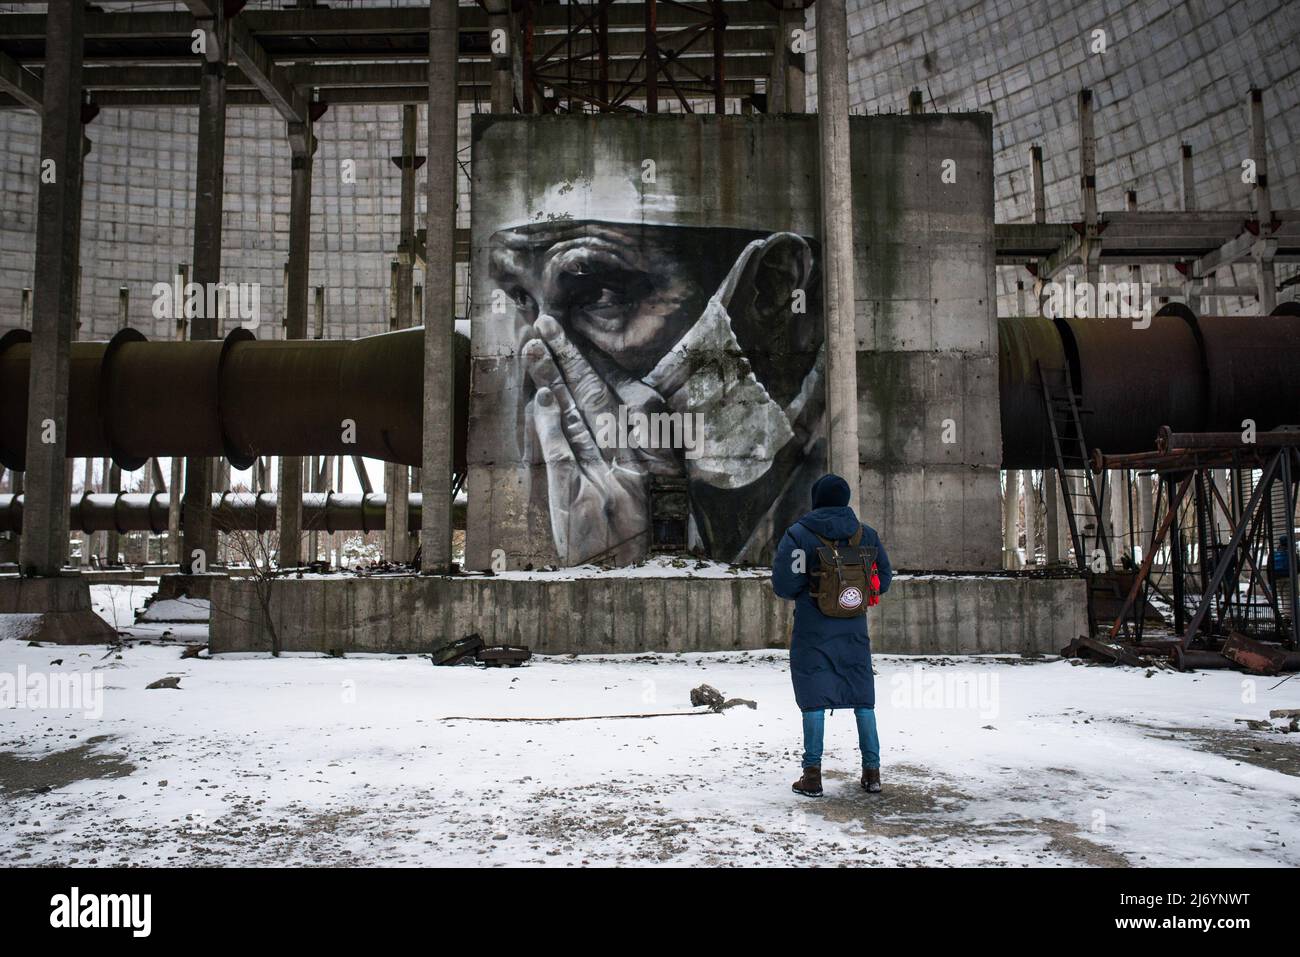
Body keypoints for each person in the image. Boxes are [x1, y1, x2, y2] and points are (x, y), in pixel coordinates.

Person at [771, 473, 892, 797]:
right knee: (862, 697)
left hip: (812, 627)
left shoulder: (798, 534)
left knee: (813, 697)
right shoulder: (867, 535)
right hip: (854, 628)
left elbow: (783, 584)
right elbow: (885, 579)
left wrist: (811, 591)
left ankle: (812, 775)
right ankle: (872, 772)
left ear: (817, 499)